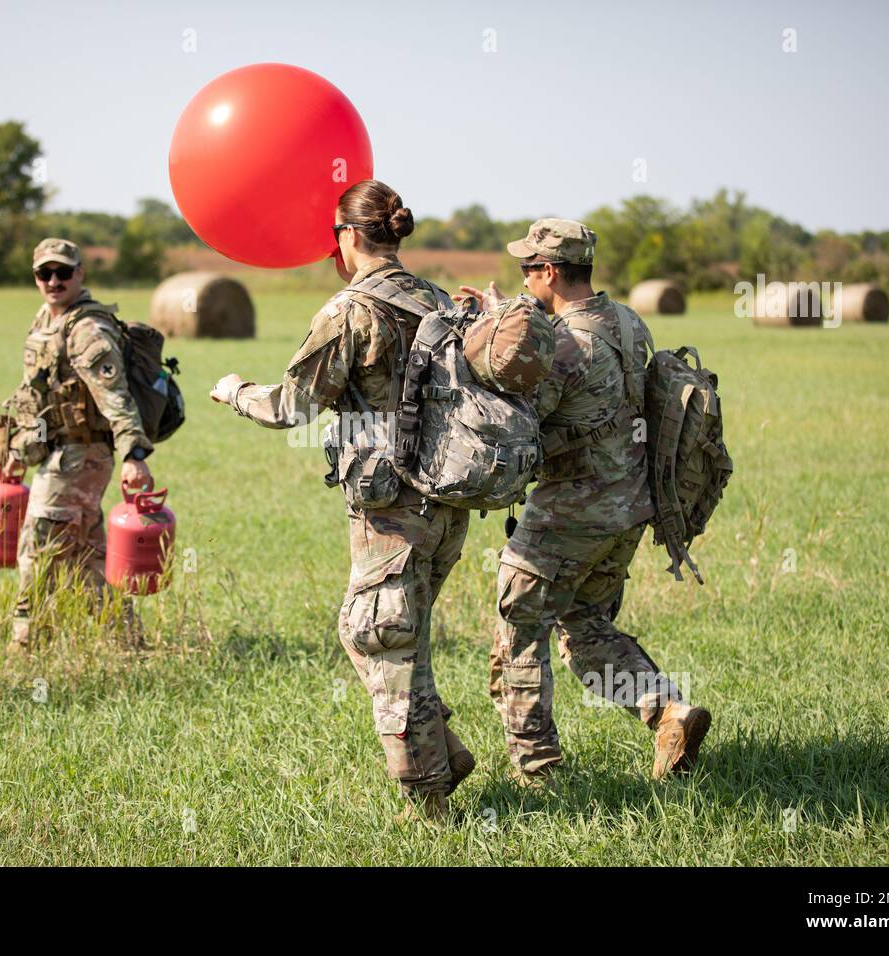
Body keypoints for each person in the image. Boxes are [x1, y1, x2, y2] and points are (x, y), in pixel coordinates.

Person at [209, 181, 473, 823]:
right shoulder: (436, 299)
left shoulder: (350, 310)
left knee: (378, 635)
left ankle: (428, 801)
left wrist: (233, 389)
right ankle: (445, 751)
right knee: (394, 633)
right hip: (450, 500)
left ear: (349, 235)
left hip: (393, 506)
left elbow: (293, 406)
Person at [457, 218, 712, 790]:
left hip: (569, 513)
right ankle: (668, 711)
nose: (524, 282)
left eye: (528, 272)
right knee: (586, 625)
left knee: (519, 630)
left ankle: (537, 770)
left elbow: (521, 413)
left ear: (549, 272)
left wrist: (496, 332)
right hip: (629, 508)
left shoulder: (563, 344)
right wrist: (508, 313)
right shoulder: (626, 320)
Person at [0, 238, 154, 652]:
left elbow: (115, 396)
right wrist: (15, 450)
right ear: (35, 277)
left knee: (39, 546)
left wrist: (135, 455)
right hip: (56, 453)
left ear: (80, 274)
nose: (54, 280)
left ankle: (26, 650)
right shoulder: (45, 319)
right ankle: (131, 644)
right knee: (84, 559)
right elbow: (36, 395)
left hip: (82, 455)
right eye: (44, 273)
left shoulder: (87, 328)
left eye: (63, 272)